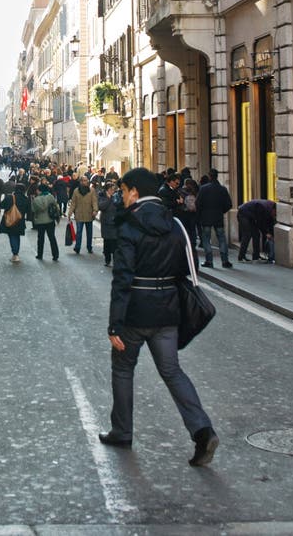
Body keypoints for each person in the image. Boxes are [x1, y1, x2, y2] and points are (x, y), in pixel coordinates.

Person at [101, 167, 218, 467]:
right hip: (167, 310)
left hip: (136, 312)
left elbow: (122, 278)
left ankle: (122, 431)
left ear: (135, 192)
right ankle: (202, 430)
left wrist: (115, 322)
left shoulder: (129, 226)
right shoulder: (175, 223)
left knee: (123, 369)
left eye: (124, 192)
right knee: (172, 371)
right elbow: (188, 271)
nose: (122, 197)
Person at [195, 168, 233, 269]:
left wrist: (200, 215)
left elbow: (198, 203)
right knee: (222, 239)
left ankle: (209, 261)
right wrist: (221, 211)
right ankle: (225, 261)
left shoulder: (203, 188)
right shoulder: (222, 189)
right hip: (218, 217)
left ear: (209, 176)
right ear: (217, 176)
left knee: (206, 239)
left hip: (206, 217)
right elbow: (229, 204)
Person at [0, 183, 30, 262]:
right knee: (17, 236)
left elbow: (1, 205)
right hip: (20, 220)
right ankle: (16, 253)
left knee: (12, 236)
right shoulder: (25, 199)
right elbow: (28, 210)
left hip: (10, 220)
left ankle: (15, 254)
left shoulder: (10, 197)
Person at [69, 175, 98, 254]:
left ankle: (89, 247)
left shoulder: (91, 190)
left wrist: (95, 210)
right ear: (80, 182)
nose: (85, 182)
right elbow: (73, 203)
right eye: (84, 180)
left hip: (89, 214)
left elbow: (94, 201)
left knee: (89, 233)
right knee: (79, 232)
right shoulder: (76, 191)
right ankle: (77, 247)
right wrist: (70, 213)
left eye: (86, 180)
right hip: (79, 214)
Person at [31, 182, 60, 261]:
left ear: (39, 190)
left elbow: (33, 210)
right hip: (50, 220)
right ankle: (55, 254)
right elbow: (55, 205)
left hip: (40, 221)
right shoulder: (50, 196)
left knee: (40, 239)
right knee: (52, 238)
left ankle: (40, 255)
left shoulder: (36, 199)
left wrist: (33, 200)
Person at [98, 180, 118, 266]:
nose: (112, 191)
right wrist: (109, 199)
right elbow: (102, 207)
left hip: (114, 222)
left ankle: (115, 260)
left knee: (115, 242)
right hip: (106, 222)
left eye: (113, 189)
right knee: (107, 242)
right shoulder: (102, 196)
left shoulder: (116, 196)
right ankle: (107, 259)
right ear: (107, 190)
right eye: (111, 189)